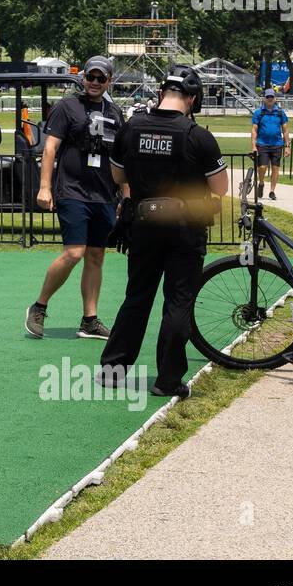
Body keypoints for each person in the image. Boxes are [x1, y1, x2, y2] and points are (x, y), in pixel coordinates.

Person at [98, 67, 228, 399]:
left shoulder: (132, 128)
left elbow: (117, 175)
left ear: (161, 93)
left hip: (143, 224)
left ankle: (113, 370)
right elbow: (220, 187)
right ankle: (167, 379)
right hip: (185, 229)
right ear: (193, 99)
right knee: (178, 301)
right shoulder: (197, 135)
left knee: (137, 297)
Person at [25, 56, 126, 342]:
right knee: (74, 253)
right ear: (83, 78)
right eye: (90, 77)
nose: (94, 83)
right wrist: (45, 187)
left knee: (96, 256)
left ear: (109, 81)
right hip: (73, 191)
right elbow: (50, 149)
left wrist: (126, 197)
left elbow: (121, 160)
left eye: (100, 78)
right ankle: (39, 306)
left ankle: (89, 320)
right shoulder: (67, 107)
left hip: (104, 194)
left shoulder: (116, 113)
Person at [250, 87, 290, 200]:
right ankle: (261, 183)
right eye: (267, 97)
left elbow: (285, 130)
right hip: (262, 144)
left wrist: (287, 146)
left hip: (277, 144)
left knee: (275, 168)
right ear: (264, 98)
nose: (269, 99)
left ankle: (272, 191)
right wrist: (253, 146)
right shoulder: (259, 113)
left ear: (275, 98)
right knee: (262, 167)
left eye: (271, 97)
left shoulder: (280, 113)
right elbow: (254, 130)